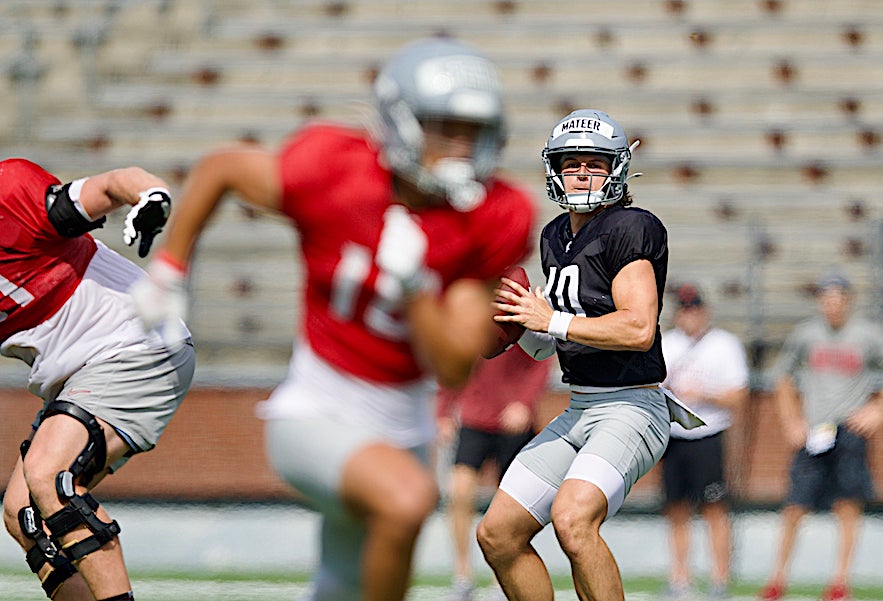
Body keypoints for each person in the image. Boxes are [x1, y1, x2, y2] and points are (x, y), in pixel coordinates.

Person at [129, 37, 535, 601]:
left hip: (406, 427)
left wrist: (415, 288)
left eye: (475, 130)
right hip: (317, 409)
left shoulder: (493, 215)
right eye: (447, 127)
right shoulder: (335, 170)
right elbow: (222, 168)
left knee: (344, 584)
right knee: (409, 499)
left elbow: (451, 366)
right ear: (402, 121)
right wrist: (168, 269)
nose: (464, 147)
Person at [475, 108, 697, 600]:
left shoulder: (632, 226)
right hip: (580, 406)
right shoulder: (555, 235)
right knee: (498, 534)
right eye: (570, 161)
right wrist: (519, 326)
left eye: (593, 163)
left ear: (617, 168)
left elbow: (638, 328)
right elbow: (554, 341)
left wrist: (548, 319)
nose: (580, 172)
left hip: (631, 408)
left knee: (573, 520)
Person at [0, 158, 194, 601]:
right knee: (22, 514)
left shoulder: (10, 196)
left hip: (136, 344)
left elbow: (111, 184)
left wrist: (150, 196)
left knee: (50, 476)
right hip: (83, 371)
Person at [758, 271, 883, 601]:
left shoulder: (868, 334)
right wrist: (790, 420)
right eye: (825, 298)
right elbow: (782, 378)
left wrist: (880, 408)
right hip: (814, 429)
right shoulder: (806, 334)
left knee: (847, 506)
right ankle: (777, 579)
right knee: (794, 506)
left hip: (849, 431)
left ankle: (839, 582)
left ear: (848, 300)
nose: (831, 305)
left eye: (837, 298)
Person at [436, 346, 554, 601]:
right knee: (458, 492)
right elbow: (453, 358)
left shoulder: (519, 309)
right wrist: (444, 412)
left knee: (512, 506)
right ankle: (462, 577)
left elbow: (542, 359)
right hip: (473, 420)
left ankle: (501, 579)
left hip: (514, 424)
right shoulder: (469, 313)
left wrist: (524, 402)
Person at [659, 282, 749, 600]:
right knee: (676, 509)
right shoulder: (666, 343)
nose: (688, 316)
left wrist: (704, 394)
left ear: (704, 311)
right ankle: (679, 576)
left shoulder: (724, 345)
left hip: (708, 434)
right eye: (683, 310)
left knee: (714, 507)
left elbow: (739, 395)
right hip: (674, 436)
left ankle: (719, 578)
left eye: (693, 309)